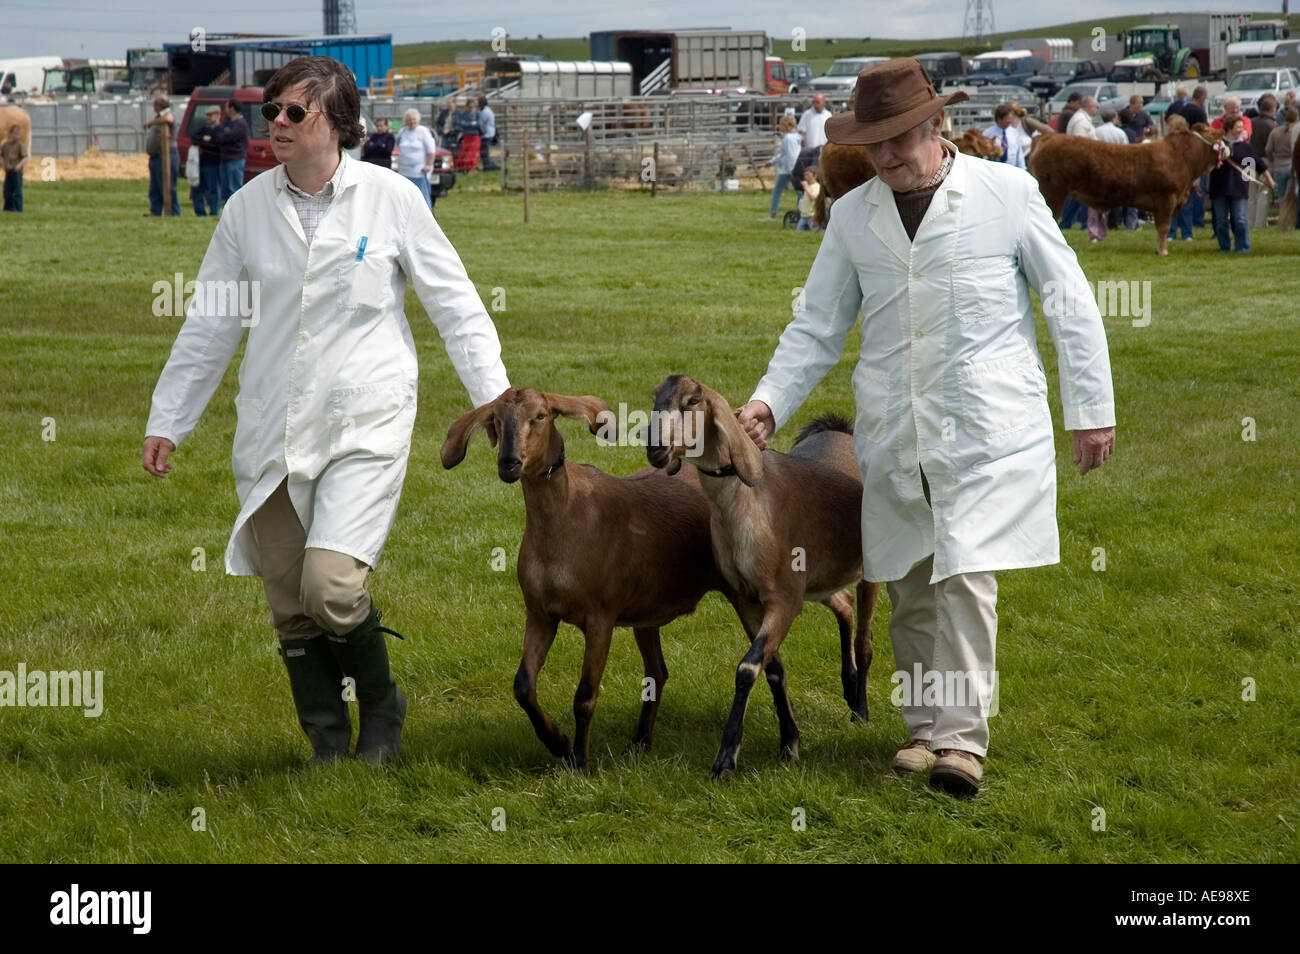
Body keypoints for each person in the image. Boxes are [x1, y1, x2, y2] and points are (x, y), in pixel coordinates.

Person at [736, 59, 1115, 799]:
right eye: (873, 143)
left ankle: (961, 743)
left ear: (934, 125)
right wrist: (768, 404)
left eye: (899, 139)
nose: (886, 157)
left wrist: (1091, 410)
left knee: (966, 574)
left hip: (986, 427)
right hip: (895, 430)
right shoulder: (852, 217)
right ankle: (921, 728)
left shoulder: (1006, 194)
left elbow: (1068, 300)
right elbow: (816, 326)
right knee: (907, 578)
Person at [142, 56, 510, 767]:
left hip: (363, 420)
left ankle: (381, 710)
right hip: (273, 426)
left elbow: (457, 306)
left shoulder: (393, 199)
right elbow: (211, 325)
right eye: (269, 111)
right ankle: (328, 740)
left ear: (337, 125)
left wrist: (491, 400)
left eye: (292, 112)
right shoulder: (245, 209)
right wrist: (169, 419)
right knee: (289, 598)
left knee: (332, 586)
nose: (275, 123)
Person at [1208, 114, 1271, 252]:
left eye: (1242, 127)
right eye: (1238, 127)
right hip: (1219, 186)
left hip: (1238, 186)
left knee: (1240, 219)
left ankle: (1242, 247)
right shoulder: (1216, 145)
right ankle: (1224, 247)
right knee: (1220, 221)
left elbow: (1258, 164)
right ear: (1229, 128)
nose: (1242, 129)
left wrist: (1268, 179)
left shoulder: (1244, 146)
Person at [1089, 110, 1130, 243]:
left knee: (1094, 201)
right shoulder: (1120, 133)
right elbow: (1126, 152)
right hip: (1115, 169)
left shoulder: (1096, 131)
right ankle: (1105, 229)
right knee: (1110, 201)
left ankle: (1094, 231)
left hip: (1097, 168)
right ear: (1114, 118)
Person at [1056, 92, 1088, 229]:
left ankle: (1067, 221)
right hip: (1076, 159)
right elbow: (1080, 142)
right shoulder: (1073, 116)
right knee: (1082, 192)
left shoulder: (1067, 114)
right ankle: (1081, 223)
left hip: (1068, 155)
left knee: (1076, 193)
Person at [144, 93, 180, 216]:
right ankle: (155, 211)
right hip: (155, 157)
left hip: (166, 157)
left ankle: (174, 213)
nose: (154, 106)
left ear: (159, 105)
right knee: (154, 188)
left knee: (168, 187)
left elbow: (168, 119)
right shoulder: (159, 117)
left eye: (155, 103)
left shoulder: (168, 115)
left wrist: (151, 123)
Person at [395, 108, 437, 210]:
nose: (411, 122)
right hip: (404, 172)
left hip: (419, 171)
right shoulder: (402, 132)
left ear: (418, 120)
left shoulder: (423, 131)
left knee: (422, 196)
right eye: (409, 119)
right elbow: (397, 148)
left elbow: (431, 150)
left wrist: (429, 164)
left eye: (413, 119)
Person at [762, 113, 800, 220]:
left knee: (779, 191)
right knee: (799, 192)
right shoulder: (797, 137)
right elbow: (784, 154)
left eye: (781, 125)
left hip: (788, 169)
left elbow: (791, 156)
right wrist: (772, 161)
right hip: (791, 168)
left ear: (786, 125)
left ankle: (773, 215)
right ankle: (801, 213)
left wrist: (790, 170)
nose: (779, 127)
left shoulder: (788, 138)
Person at [1247, 94, 1278, 229]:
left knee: (1250, 194)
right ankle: (1260, 224)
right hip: (1265, 160)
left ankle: (1249, 222)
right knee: (1263, 193)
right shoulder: (1273, 125)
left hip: (1248, 160)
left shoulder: (1251, 123)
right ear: (1272, 109)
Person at [214, 100, 249, 211]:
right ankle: (227, 211)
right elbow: (218, 135)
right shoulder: (228, 122)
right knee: (225, 188)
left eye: (226, 107)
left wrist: (222, 136)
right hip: (225, 159)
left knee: (234, 188)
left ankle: (237, 211)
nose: (225, 110)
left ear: (232, 108)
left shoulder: (240, 123)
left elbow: (228, 138)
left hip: (235, 159)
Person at [192, 106, 222, 216]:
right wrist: (203, 139)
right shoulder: (204, 128)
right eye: (207, 116)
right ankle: (200, 211)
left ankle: (214, 211)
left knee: (213, 189)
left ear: (218, 115)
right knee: (199, 188)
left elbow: (216, 142)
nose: (208, 118)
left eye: (210, 115)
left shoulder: (219, 129)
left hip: (213, 163)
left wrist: (206, 142)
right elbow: (194, 137)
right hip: (202, 163)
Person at [1265, 105, 1297, 207]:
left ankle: (1283, 219)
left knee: (1282, 197)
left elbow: (1268, 149)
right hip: (1293, 165)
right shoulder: (1296, 131)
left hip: (1279, 166)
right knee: (1294, 196)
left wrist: (1272, 160)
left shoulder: (1275, 132)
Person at [981, 103, 1029, 169]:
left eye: (1010, 118)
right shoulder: (987, 134)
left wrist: (1023, 170)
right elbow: (983, 156)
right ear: (999, 119)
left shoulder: (1014, 133)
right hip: (994, 170)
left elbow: (1019, 155)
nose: (1010, 121)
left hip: (1011, 170)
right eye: (1007, 119)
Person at [2, 122, 27, 212]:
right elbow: (2, 156)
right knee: (7, 191)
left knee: (17, 191)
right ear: (10, 134)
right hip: (8, 171)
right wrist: (3, 164)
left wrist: (19, 165)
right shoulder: (6, 145)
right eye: (15, 134)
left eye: (18, 134)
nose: (17, 136)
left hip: (16, 171)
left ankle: (17, 209)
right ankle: (8, 208)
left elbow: (25, 158)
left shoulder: (20, 145)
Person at [451, 97, 481, 172]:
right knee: (465, 152)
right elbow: (462, 124)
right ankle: (464, 168)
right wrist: (471, 124)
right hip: (467, 136)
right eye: (469, 107)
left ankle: (472, 168)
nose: (471, 108)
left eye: (472, 107)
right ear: (467, 106)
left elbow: (479, 124)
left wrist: (468, 124)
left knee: (473, 153)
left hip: (475, 136)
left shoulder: (477, 113)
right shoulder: (463, 114)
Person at [477, 95, 498, 171]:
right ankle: (489, 166)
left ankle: (488, 167)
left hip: (487, 134)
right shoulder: (485, 110)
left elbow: (480, 123)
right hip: (488, 133)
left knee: (484, 152)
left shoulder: (485, 112)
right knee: (485, 152)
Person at [796, 165, 820, 230]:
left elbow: (813, 197)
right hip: (804, 216)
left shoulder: (817, 186)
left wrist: (806, 187)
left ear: (815, 176)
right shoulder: (807, 186)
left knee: (813, 231)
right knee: (798, 232)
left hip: (812, 216)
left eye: (808, 175)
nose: (805, 177)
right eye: (805, 175)